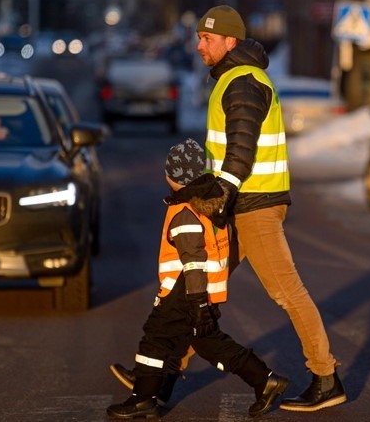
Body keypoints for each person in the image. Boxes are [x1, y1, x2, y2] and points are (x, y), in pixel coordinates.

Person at [193, 5, 346, 412]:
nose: (199, 46)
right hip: (241, 202)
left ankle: (326, 377)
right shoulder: (234, 78)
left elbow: (241, 147)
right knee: (198, 287)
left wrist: (223, 189)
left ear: (230, 42)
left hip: (253, 206)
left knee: (287, 292)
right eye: (199, 38)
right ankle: (157, 370)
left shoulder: (243, 81)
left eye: (206, 39)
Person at [106, 139, 288, 420]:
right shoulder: (210, 204)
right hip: (208, 290)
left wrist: (198, 303)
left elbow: (193, 262)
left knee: (155, 337)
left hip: (186, 291)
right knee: (208, 342)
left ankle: (143, 398)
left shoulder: (184, 212)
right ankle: (264, 380)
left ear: (175, 177)